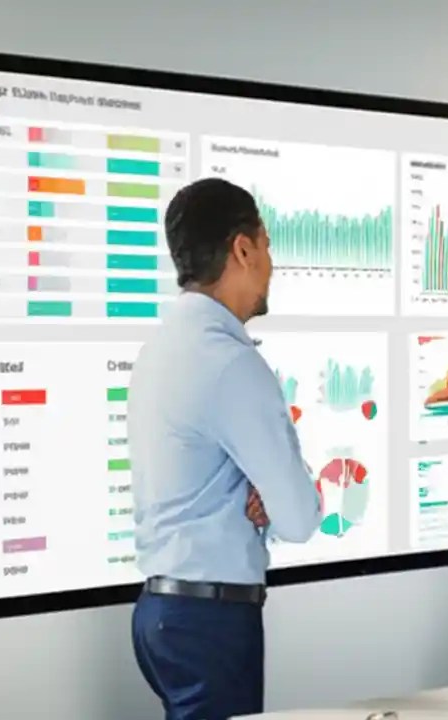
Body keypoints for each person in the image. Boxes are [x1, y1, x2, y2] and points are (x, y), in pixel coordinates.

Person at [127, 177, 322, 719]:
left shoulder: (161, 349)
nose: (271, 264)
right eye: (267, 246)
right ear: (243, 249)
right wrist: (279, 491)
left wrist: (260, 487)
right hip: (208, 621)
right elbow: (299, 517)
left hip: (162, 612)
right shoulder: (231, 363)